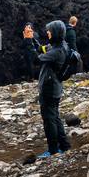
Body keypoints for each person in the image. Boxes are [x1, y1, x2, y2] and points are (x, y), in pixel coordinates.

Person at [23, 21, 74, 158]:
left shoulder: (57, 51)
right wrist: (32, 38)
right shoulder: (60, 45)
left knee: (49, 120)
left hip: (49, 90)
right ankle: (64, 146)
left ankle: (53, 150)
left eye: (50, 30)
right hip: (55, 87)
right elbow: (41, 49)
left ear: (56, 32)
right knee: (55, 117)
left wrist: (28, 41)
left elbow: (35, 59)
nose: (47, 33)